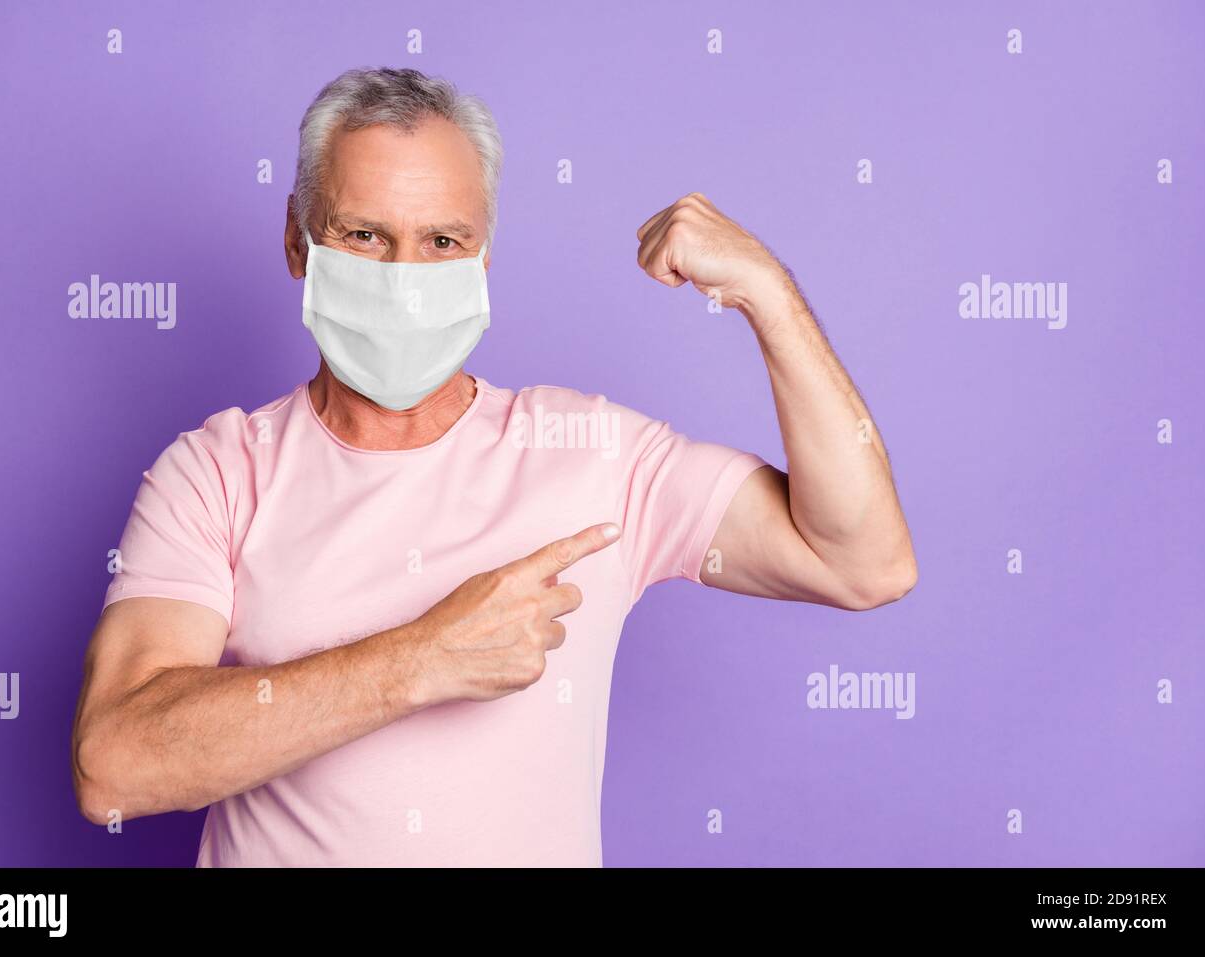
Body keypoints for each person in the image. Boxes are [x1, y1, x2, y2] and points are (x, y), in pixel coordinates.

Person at [71, 67, 916, 866]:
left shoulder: (594, 456)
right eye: (364, 235)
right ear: (298, 240)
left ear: (483, 258)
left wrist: (768, 293)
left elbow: (862, 562)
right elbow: (113, 767)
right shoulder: (216, 472)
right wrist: (419, 660)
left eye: (444, 239)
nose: (406, 278)